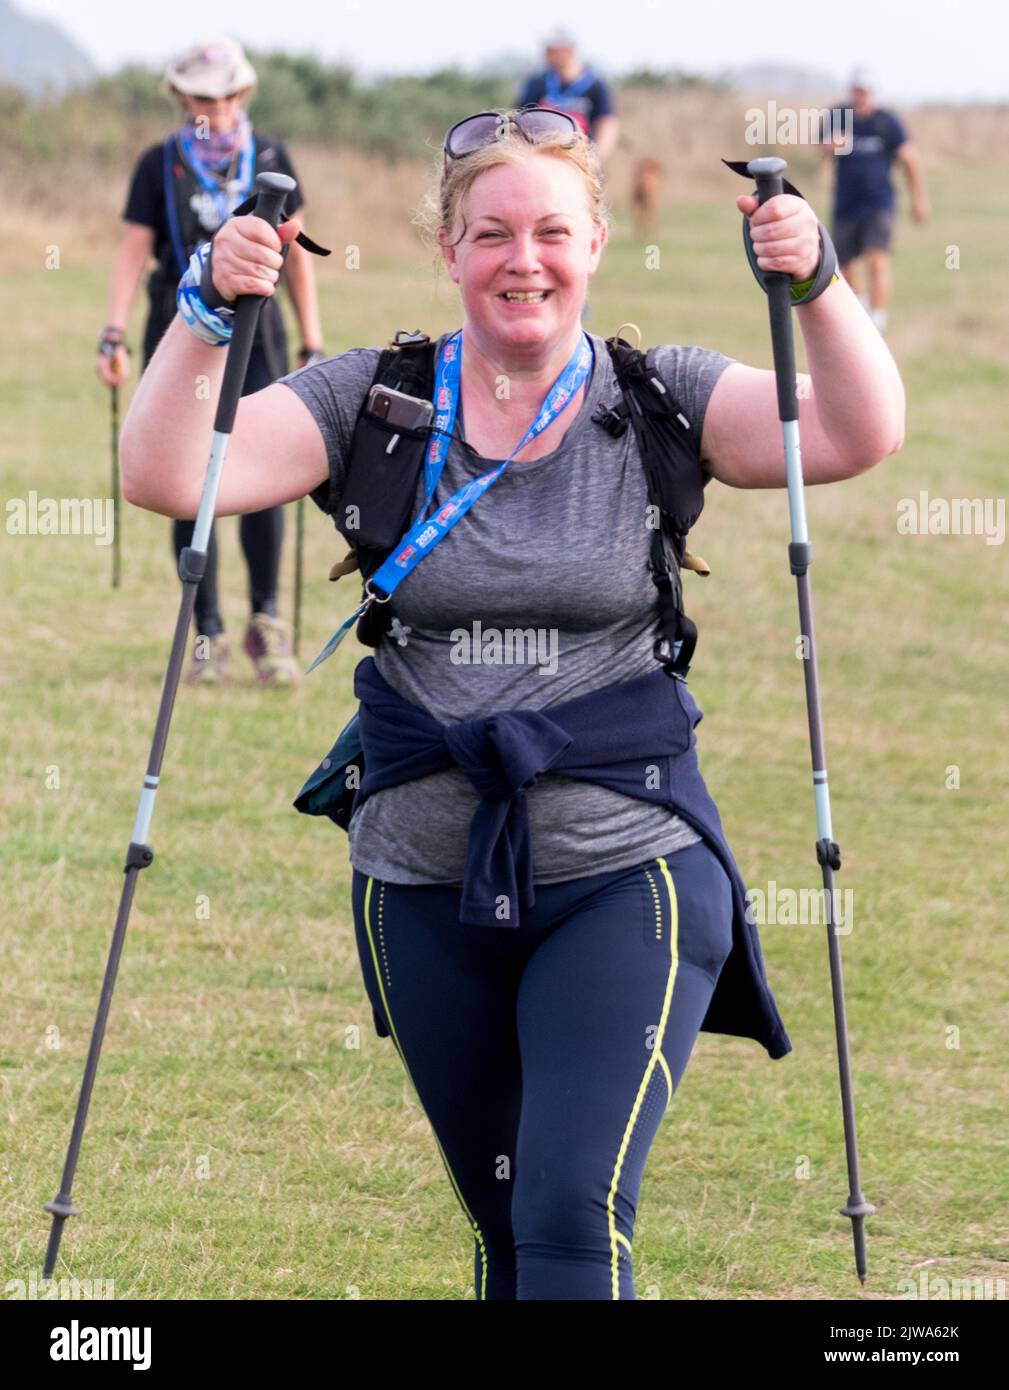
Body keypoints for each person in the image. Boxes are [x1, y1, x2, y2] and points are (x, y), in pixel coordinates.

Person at [120, 106, 905, 1300]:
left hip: (625, 866)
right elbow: (166, 472)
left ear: (595, 242)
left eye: (549, 231)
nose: (520, 259)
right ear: (449, 251)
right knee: (506, 1232)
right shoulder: (371, 403)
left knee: (567, 1215)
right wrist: (203, 311)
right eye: (490, 234)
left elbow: (855, 429)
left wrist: (817, 285)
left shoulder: (659, 398)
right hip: (420, 879)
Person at [96, 35, 325, 684]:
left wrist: (313, 339)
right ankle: (208, 636)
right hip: (181, 333)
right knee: (184, 482)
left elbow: (298, 254)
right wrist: (111, 334)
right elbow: (132, 252)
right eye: (203, 97)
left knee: (263, 481)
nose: (217, 108)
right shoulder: (158, 162)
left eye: (227, 95)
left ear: (244, 93)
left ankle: (268, 624)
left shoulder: (272, 156)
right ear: (181, 98)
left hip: (263, 336)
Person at [824, 67, 929, 335]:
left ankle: (878, 319)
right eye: (856, 90)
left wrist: (919, 198)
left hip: (879, 203)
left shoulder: (886, 121)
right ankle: (860, 308)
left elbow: (909, 158)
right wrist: (831, 146)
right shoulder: (838, 116)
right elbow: (821, 148)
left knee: (876, 259)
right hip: (846, 203)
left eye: (865, 91)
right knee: (845, 264)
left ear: (872, 93)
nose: (860, 96)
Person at [517, 28, 618, 163]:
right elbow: (519, 119)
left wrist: (596, 158)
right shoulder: (538, 83)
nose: (546, 55)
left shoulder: (594, 86)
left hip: (580, 160)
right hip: (542, 158)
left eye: (552, 50)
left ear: (568, 51)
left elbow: (607, 123)